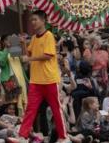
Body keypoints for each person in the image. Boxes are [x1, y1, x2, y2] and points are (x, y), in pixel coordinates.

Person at [11, 10, 67, 143]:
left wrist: (29, 59)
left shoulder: (49, 36)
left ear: (43, 21)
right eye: (32, 20)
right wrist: (23, 44)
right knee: (30, 108)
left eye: (35, 19)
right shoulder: (34, 38)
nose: (33, 22)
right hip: (36, 80)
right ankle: (22, 136)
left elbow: (47, 55)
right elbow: (27, 55)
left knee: (56, 109)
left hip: (49, 79)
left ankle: (63, 137)